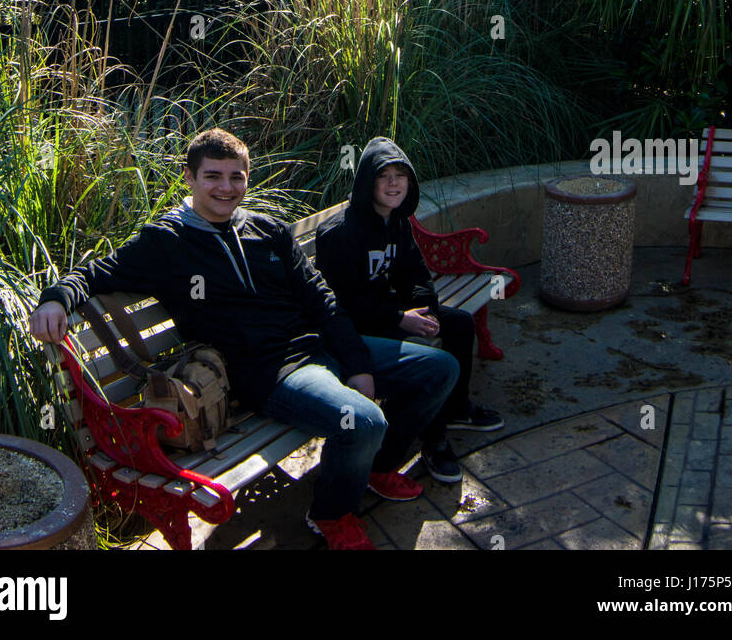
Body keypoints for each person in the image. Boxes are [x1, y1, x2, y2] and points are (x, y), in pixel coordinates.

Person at [29, 128, 460, 551]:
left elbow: (322, 300)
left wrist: (359, 364)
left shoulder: (267, 230)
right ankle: (331, 513)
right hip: (270, 374)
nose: (226, 187)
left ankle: (376, 467)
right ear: (190, 178)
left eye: (236, 177)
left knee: (440, 368)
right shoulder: (166, 243)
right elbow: (95, 272)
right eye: (213, 176)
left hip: (320, 348)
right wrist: (54, 300)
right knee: (364, 422)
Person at [316, 137, 504, 489]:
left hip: (388, 312)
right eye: (383, 175)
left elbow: (416, 274)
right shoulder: (341, 233)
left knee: (459, 324)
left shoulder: (397, 221)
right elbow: (342, 301)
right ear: (367, 182)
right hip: (354, 326)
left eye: (400, 175)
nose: (392, 183)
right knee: (430, 356)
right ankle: (435, 440)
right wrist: (401, 319)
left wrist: (425, 312)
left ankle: (456, 409)